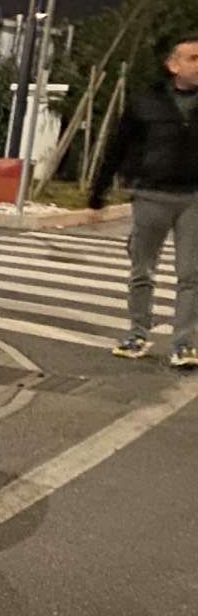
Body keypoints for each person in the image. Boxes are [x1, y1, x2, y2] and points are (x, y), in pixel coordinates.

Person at [90, 32, 198, 367]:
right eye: (193, 58)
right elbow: (117, 146)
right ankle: (138, 334)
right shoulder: (145, 102)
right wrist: (98, 192)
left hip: (193, 198)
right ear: (172, 64)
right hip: (150, 195)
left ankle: (184, 344)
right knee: (142, 271)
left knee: (191, 275)